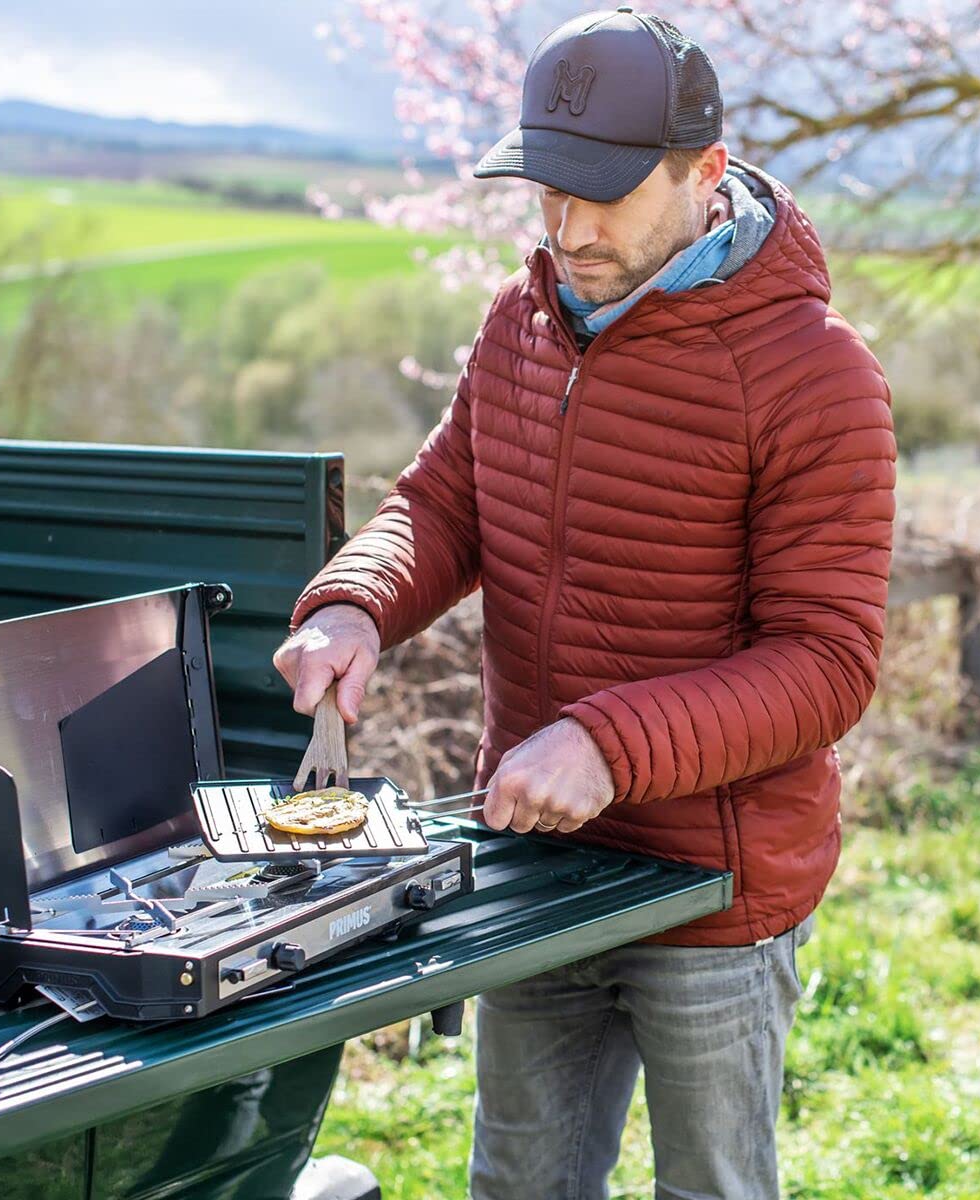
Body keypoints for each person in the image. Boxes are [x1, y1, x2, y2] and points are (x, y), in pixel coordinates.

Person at [273, 8, 896, 1199]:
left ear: (706, 174)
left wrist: (610, 743)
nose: (565, 228)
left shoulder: (816, 374)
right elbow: (445, 502)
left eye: (601, 195)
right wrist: (355, 603)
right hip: (540, 856)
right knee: (520, 1185)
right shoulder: (522, 320)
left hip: (713, 887)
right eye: (547, 192)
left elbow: (827, 665)